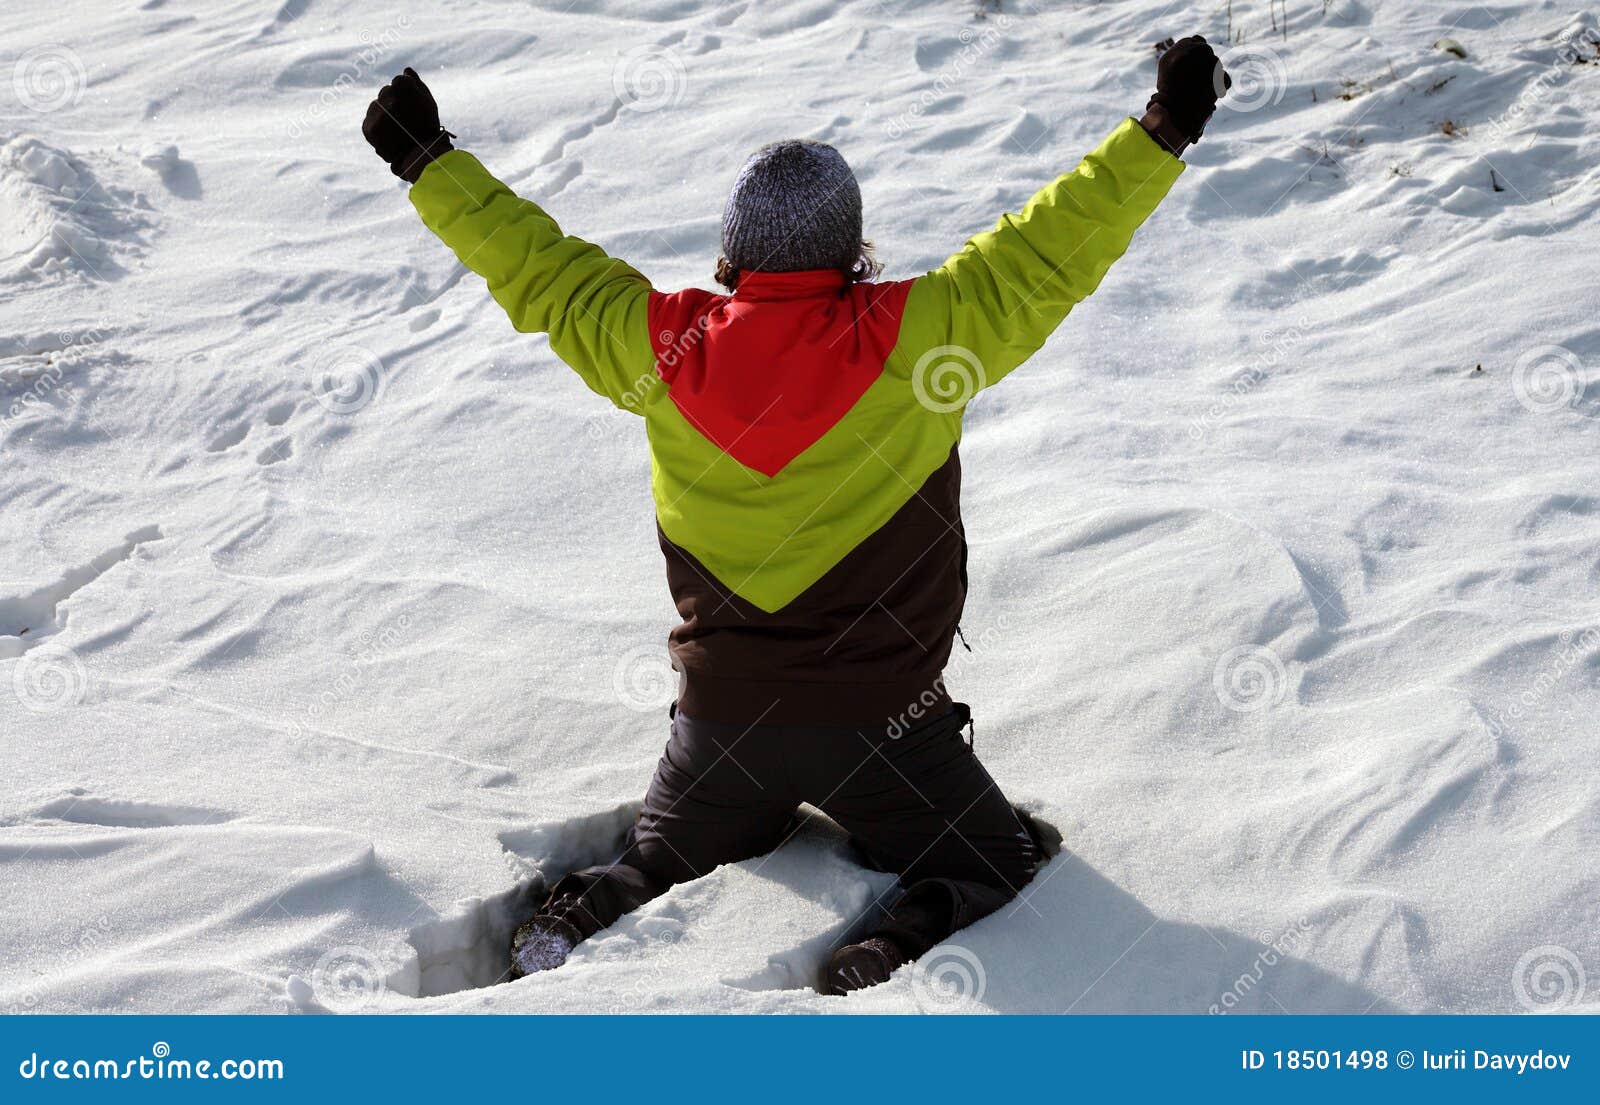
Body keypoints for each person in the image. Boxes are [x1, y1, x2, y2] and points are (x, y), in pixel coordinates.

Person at [363, 35, 1229, 995]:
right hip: (884, 728)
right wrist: (1165, 127)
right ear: (854, 251)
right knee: (994, 861)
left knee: (658, 856)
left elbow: (541, 269)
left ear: (730, 253)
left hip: (721, 728)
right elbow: (1047, 249)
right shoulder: (922, 335)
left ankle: (580, 915)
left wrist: (427, 161)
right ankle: (890, 948)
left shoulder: (663, 346)